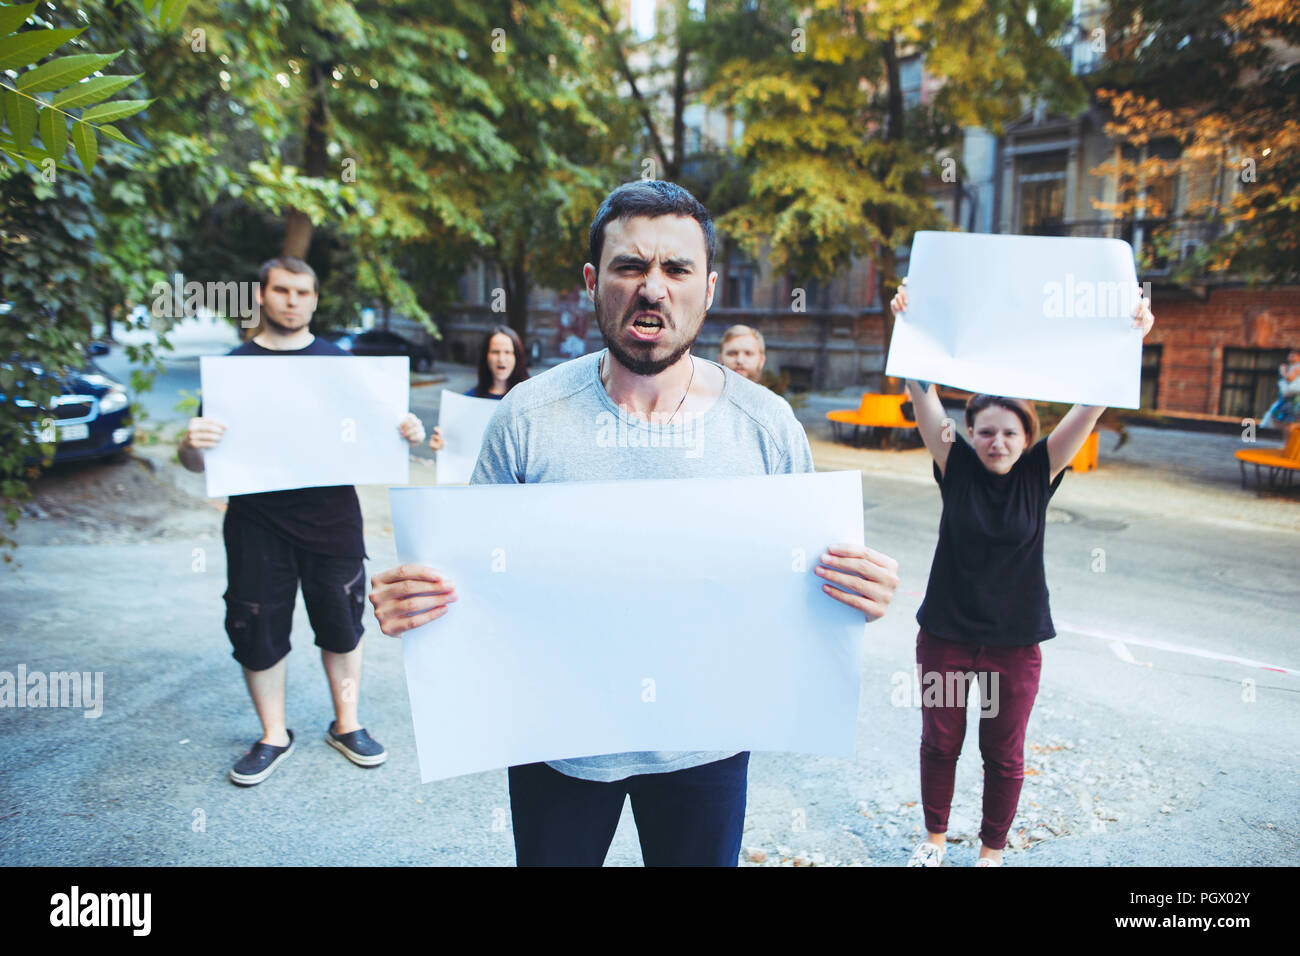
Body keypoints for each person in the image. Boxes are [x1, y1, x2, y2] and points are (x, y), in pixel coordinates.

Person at [369, 180, 900, 866]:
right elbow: (474, 588)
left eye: (677, 269)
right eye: (630, 266)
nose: (654, 288)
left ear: (708, 288)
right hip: (557, 746)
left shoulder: (766, 426)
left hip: (706, 746)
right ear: (594, 281)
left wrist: (858, 594)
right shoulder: (528, 419)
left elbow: (803, 589)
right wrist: (417, 605)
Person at [891, 279, 1155, 866]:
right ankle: (933, 842)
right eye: (985, 430)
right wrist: (910, 320)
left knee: (1003, 754)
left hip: (1015, 644)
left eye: (1010, 432)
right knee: (940, 743)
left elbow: (1093, 400)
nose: (996, 441)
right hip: (946, 637)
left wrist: (1128, 334)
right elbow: (919, 389)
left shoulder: (1041, 471)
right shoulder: (953, 463)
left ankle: (991, 852)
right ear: (970, 433)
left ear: (1028, 438)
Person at [179, 256, 427, 786]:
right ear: (263, 295)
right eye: (282, 290)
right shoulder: (232, 370)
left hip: (332, 521)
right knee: (257, 628)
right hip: (254, 523)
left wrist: (404, 432)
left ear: (315, 300)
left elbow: (382, 437)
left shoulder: (347, 367)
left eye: (302, 292)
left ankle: (348, 724)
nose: (292, 301)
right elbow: (199, 461)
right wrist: (190, 445)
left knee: (342, 626)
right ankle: (273, 735)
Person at [428, 326, 529, 453]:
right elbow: (459, 446)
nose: (501, 359)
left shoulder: (530, 401)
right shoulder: (467, 401)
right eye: (495, 352)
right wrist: (443, 445)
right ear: (486, 356)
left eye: (508, 352)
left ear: (517, 357)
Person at [1259, 349, 1300, 428]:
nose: (1290, 357)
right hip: (1288, 396)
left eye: (1293, 355)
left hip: (1293, 397)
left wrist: (1283, 371)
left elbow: (1290, 378)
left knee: (1289, 419)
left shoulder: (1297, 366)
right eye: (1290, 355)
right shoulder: (1291, 366)